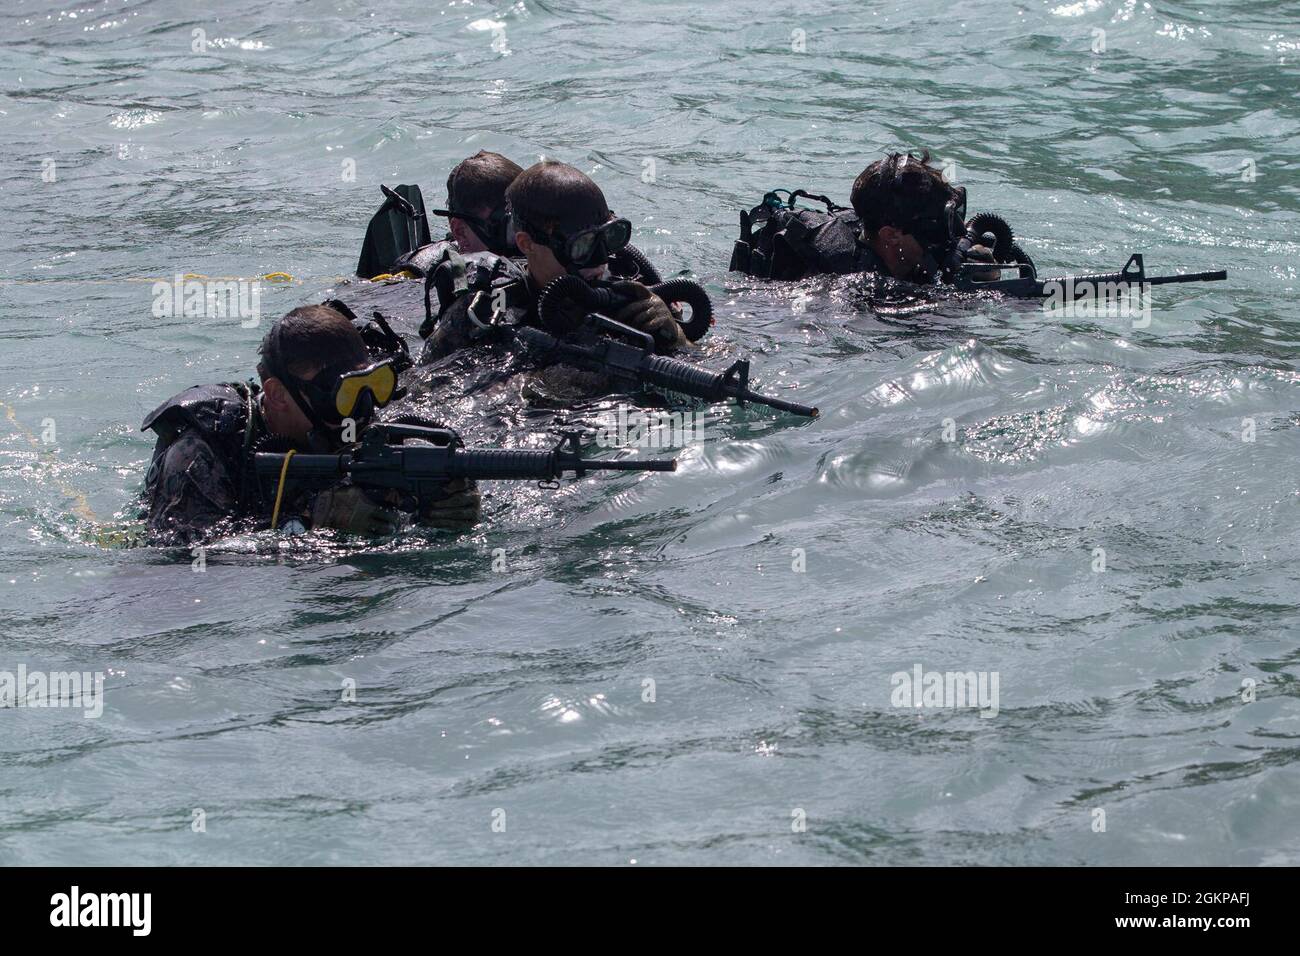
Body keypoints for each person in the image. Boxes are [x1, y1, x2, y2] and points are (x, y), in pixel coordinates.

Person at [141, 304, 479, 545]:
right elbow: (181, 566)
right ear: (277, 395)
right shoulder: (201, 453)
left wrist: (440, 514)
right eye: (343, 395)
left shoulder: (363, 432)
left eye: (370, 387)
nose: (361, 412)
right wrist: (309, 526)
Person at [419, 159, 687, 365]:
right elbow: (425, 390)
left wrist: (676, 337)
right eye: (580, 247)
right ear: (526, 244)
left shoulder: (630, 290)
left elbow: (707, 369)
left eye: (607, 239)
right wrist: (536, 387)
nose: (599, 261)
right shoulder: (488, 308)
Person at [729, 150, 1000, 283]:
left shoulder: (893, 240)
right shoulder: (847, 284)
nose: (950, 236)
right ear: (890, 236)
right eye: (937, 228)